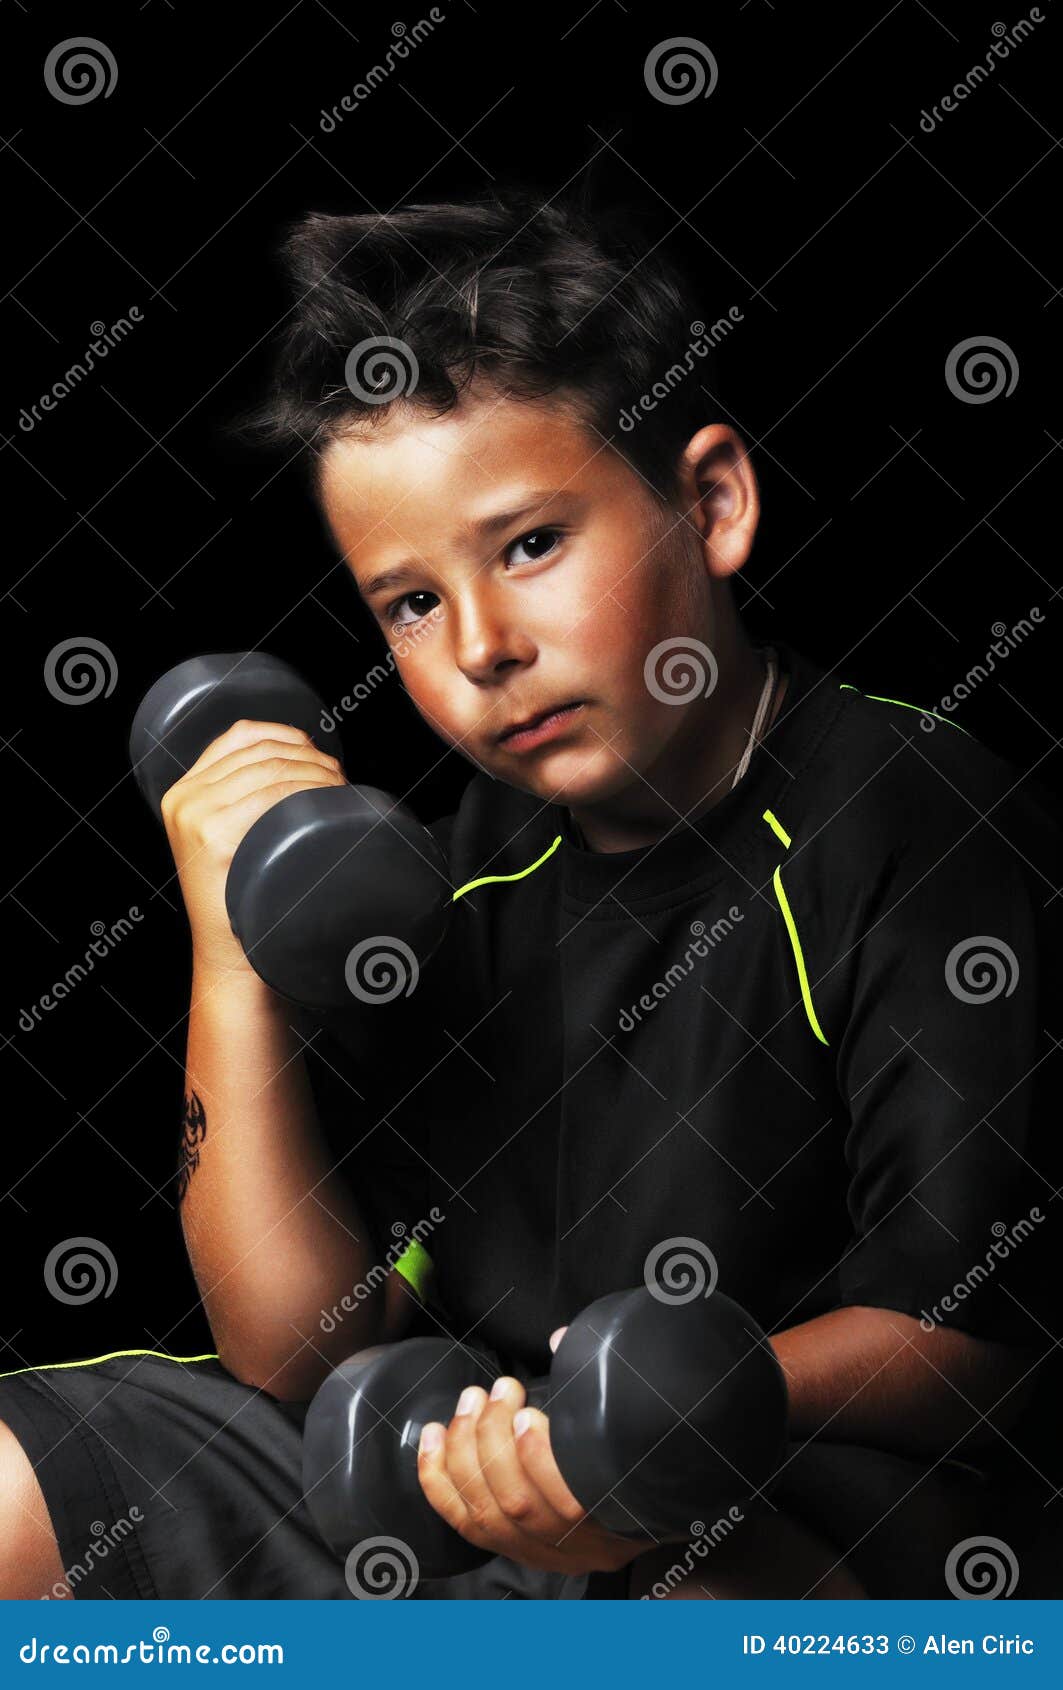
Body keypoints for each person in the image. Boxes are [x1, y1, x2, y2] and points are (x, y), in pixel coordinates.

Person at [1, 186, 1060, 1602]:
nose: (482, 646)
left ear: (712, 502)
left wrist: (634, 1429)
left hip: (777, 1519)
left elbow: (988, 1346)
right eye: (410, 602)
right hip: (472, 1478)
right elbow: (301, 1349)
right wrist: (235, 946)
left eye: (530, 546)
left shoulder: (917, 824)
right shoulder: (462, 865)